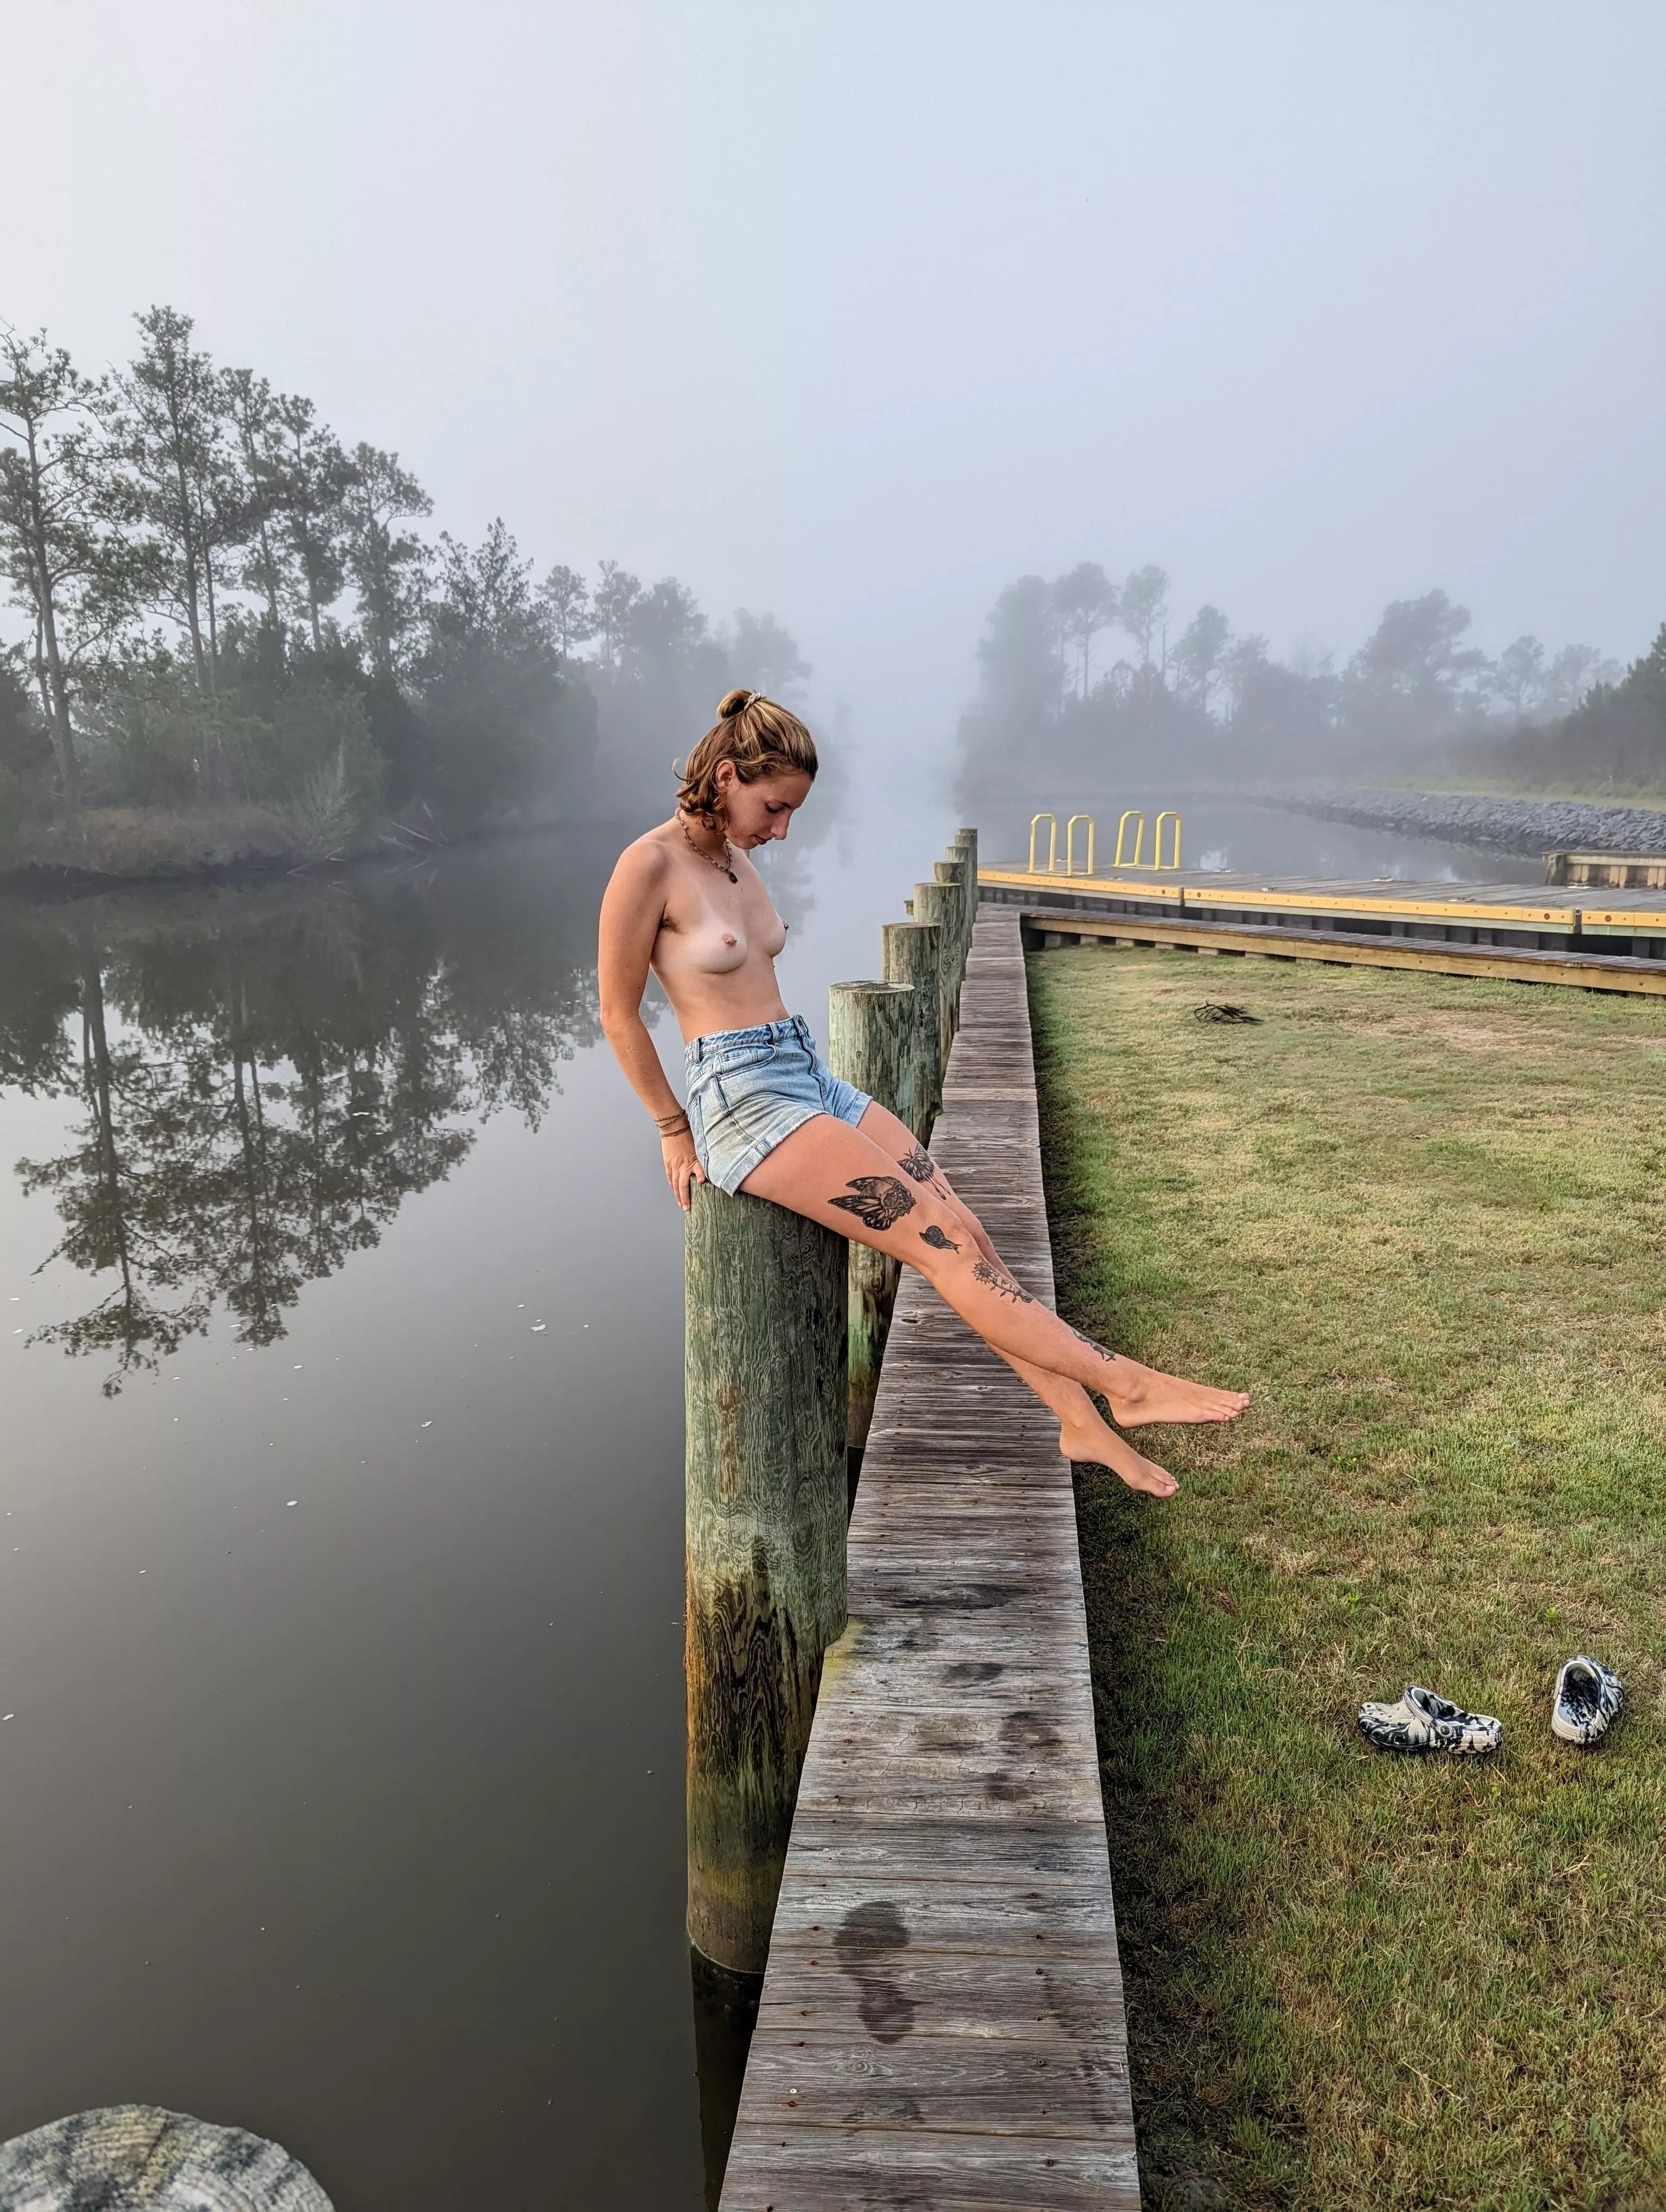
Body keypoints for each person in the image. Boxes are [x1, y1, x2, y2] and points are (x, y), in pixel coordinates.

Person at [598, 689, 1248, 1496]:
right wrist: (671, 1126)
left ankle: (1080, 1422)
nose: (782, 830)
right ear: (726, 776)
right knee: (936, 1238)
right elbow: (618, 1011)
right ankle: (1132, 1387)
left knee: (965, 1227)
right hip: (745, 1101)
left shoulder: (732, 856)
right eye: (774, 808)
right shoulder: (647, 865)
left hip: (803, 1072)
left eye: (793, 813)